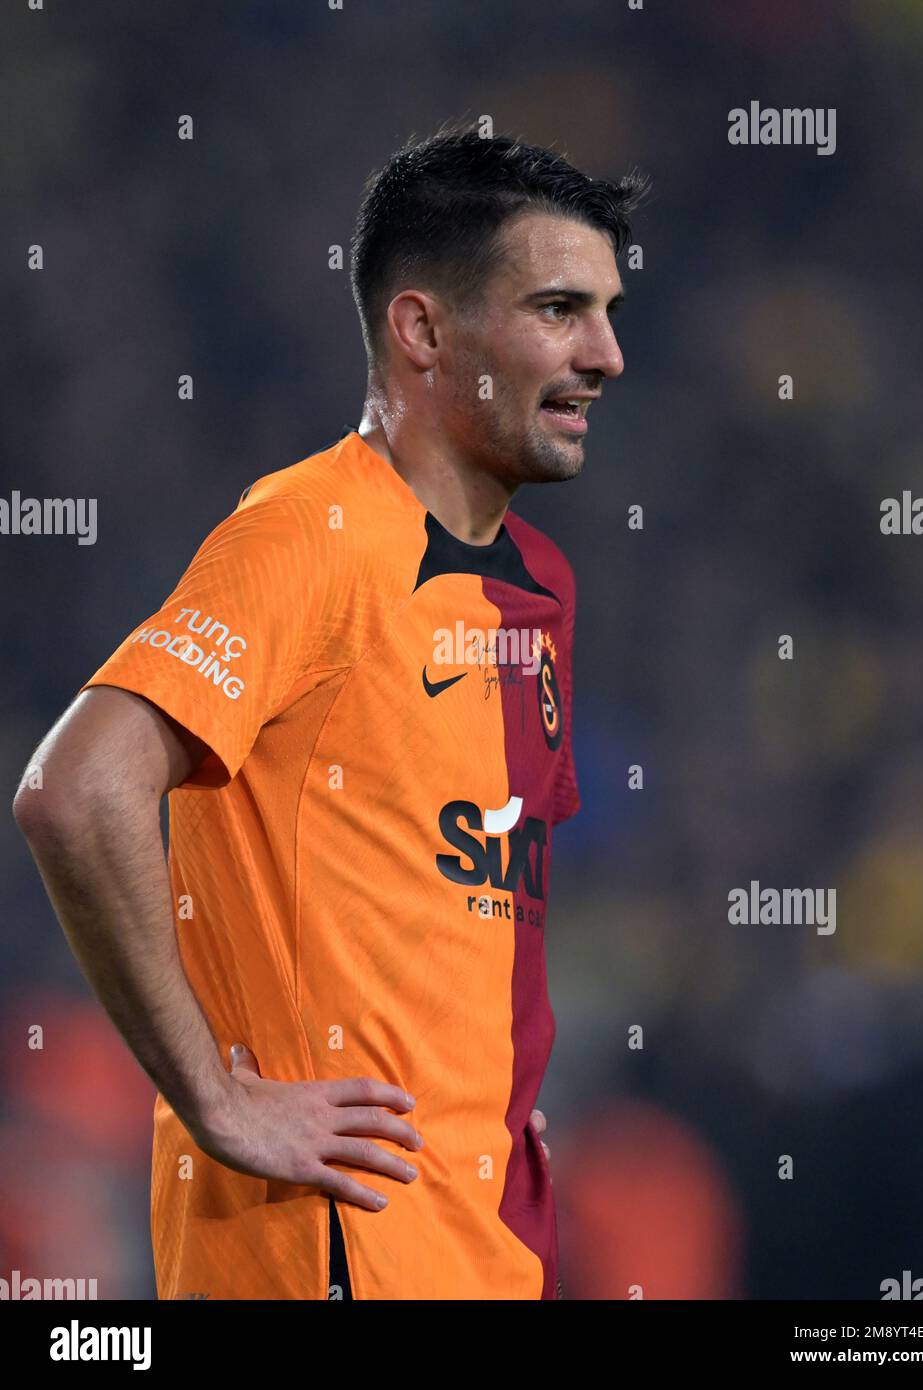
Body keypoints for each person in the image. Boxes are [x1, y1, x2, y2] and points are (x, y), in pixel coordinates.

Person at [13, 124, 644, 1300]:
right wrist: (216, 1095)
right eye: (561, 307)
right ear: (422, 331)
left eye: (608, 310)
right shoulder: (311, 535)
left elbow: (453, 889)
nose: (606, 352)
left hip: (481, 1243)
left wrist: (484, 1084)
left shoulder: (541, 586)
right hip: (325, 1251)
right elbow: (75, 789)